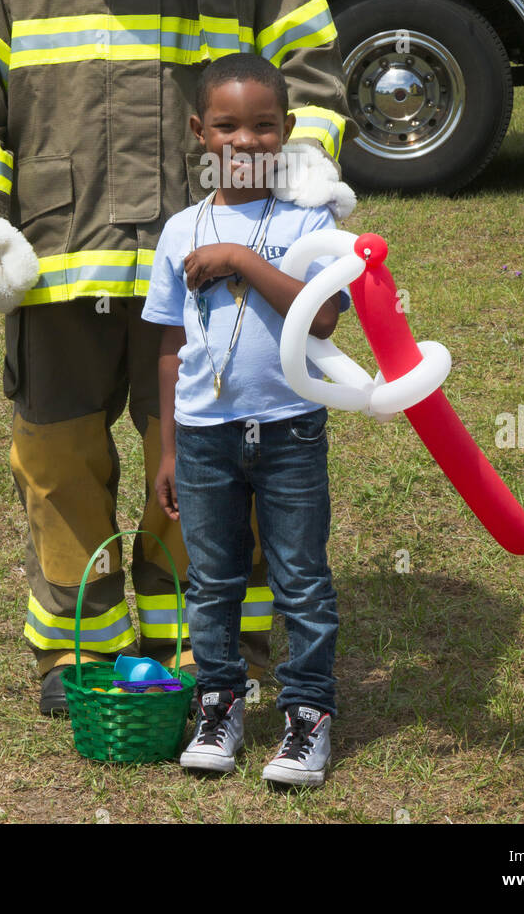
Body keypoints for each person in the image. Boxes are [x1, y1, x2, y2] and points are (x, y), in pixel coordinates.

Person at [141, 52, 347, 787]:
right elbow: (169, 344)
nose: (246, 142)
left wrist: (238, 259)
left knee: (301, 579)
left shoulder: (310, 222)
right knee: (213, 580)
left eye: (264, 126)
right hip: (203, 437)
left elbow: (323, 316)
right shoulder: (177, 231)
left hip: (290, 429)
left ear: (287, 130)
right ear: (199, 131)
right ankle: (219, 703)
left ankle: (308, 714)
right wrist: (167, 448)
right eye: (227, 125)